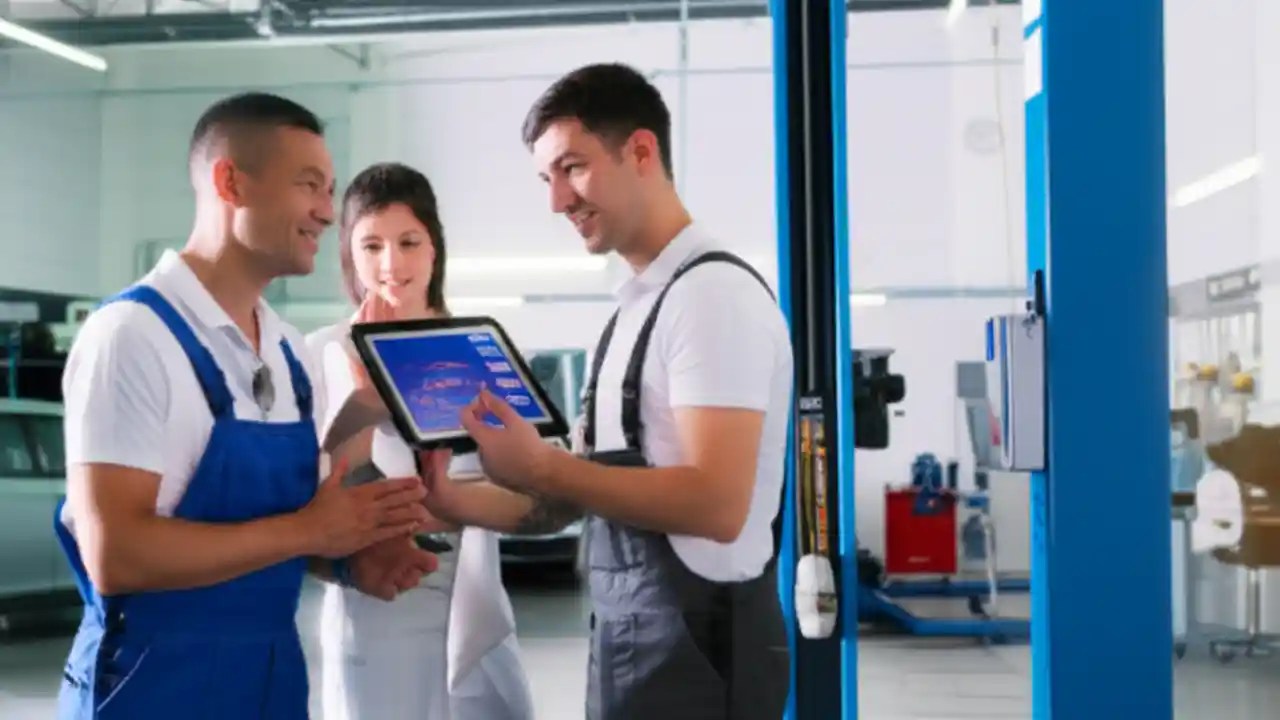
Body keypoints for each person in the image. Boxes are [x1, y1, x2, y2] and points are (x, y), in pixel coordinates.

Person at [415, 62, 795, 720]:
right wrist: (452, 501)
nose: (557, 201)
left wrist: (542, 463)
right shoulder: (631, 313)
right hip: (634, 648)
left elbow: (716, 503)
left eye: (573, 168)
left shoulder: (712, 299)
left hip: (706, 660)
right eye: (547, 179)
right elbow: (570, 500)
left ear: (641, 151)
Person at [54, 93, 438, 720]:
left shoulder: (288, 350)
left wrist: (349, 561)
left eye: (329, 189)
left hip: (270, 679)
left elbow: (275, 529)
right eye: (309, 185)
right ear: (230, 181)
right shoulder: (130, 335)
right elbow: (116, 553)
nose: (325, 212)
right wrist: (312, 531)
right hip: (151, 687)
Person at [306, 162, 535, 720]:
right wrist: (362, 401)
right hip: (377, 604)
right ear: (349, 255)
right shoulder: (321, 354)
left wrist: (455, 505)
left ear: (435, 248)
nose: (392, 264)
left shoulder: (479, 349)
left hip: (473, 603)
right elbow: (315, 491)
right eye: (372, 245)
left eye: (409, 242)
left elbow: (535, 481)